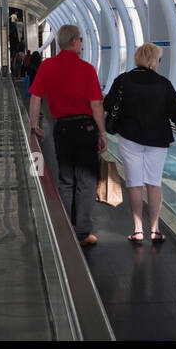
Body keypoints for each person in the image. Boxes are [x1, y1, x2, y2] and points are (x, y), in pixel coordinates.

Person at [28, 25, 106, 246]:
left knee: (66, 178)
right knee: (87, 181)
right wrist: (102, 132)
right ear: (74, 42)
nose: (82, 43)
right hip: (86, 128)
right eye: (81, 39)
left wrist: (34, 125)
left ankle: (64, 228)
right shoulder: (87, 69)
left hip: (61, 128)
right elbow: (96, 104)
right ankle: (82, 231)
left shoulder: (47, 66)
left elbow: (35, 98)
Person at [103, 42, 176, 244]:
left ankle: (138, 230)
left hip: (129, 138)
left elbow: (107, 104)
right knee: (154, 183)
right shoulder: (163, 84)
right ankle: (155, 230)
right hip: (158, 140)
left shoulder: (123, 80)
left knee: (134, 184)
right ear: (153, 61)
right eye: (158, 60)